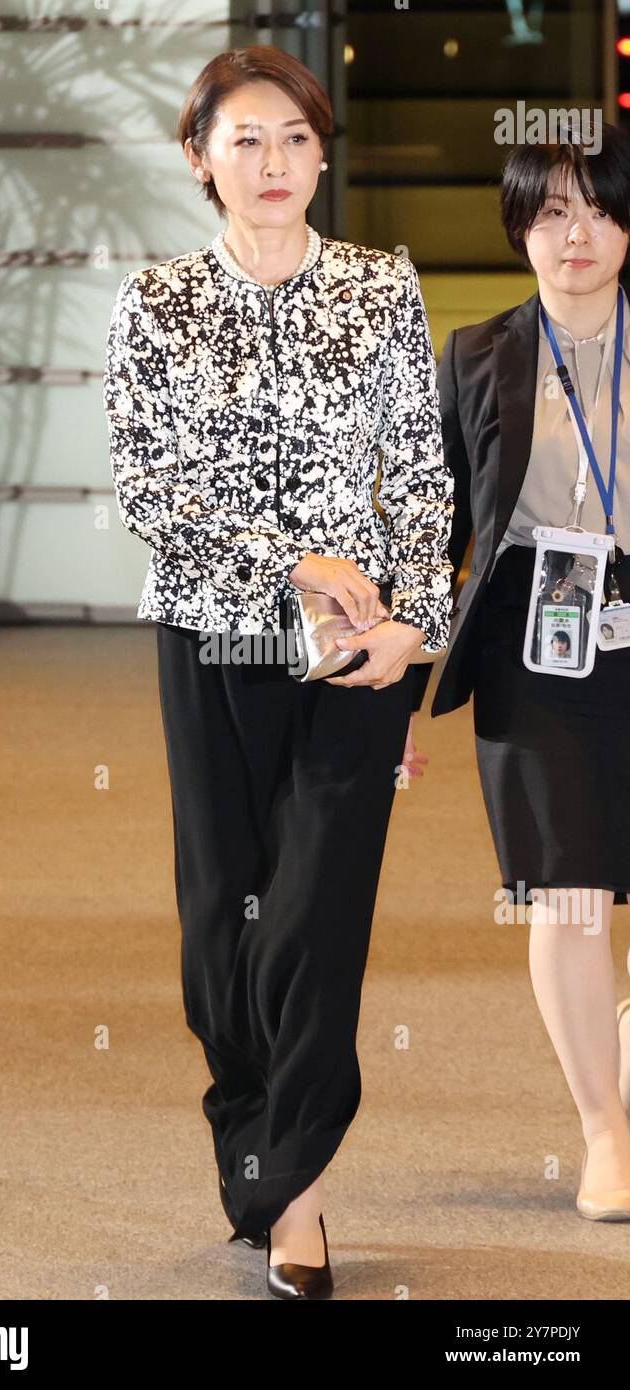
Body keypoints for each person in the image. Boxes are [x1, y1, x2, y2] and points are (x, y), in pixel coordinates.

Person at [102, 43, 453, 1298]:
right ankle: (251, 1137)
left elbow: (419, 472)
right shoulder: (158, 299)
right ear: (199, 157)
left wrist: (418, 620)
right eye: (245, 139)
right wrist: (290, 557)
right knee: (222, 930)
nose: (274, 163)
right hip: (210, 642)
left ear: (323, 153)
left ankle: (296, 1193)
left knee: (312, 922)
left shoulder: (379, 286)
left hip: (353, 663)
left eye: (296, 138)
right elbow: (150, 486)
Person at [417, 125, 630, 1221]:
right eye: (548, 212)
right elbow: (441, 528)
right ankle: (606, 1132)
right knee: (570, 892)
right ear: (518, 228)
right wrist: (409, 687)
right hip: (537, 645)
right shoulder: (476, 354)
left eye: (596, 206)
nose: (575, 233)